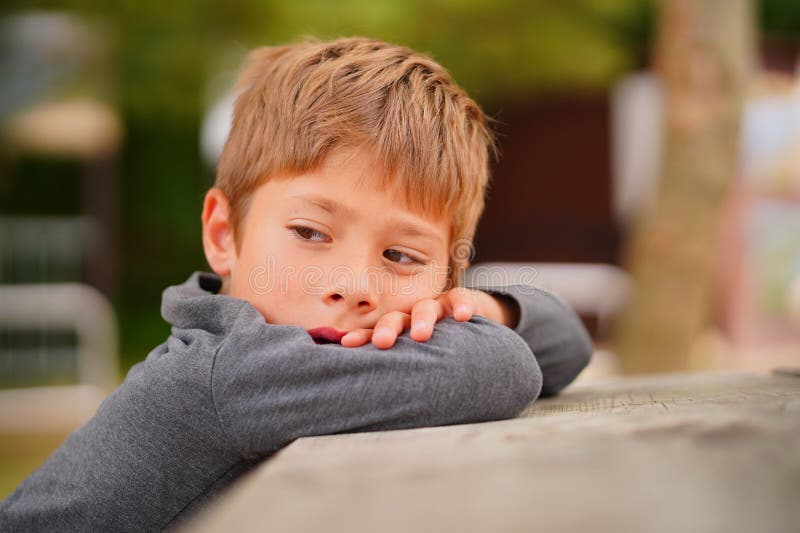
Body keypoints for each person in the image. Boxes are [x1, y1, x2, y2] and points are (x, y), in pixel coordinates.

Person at [0, 36, 592, 531]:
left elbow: (567, 344)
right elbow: (500, 370)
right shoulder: (229, 371)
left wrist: (478, 305)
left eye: (401, 255)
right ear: (224, 235)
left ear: (445, 272)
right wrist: (474, 332)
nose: (354, 284)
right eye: (310, 233)